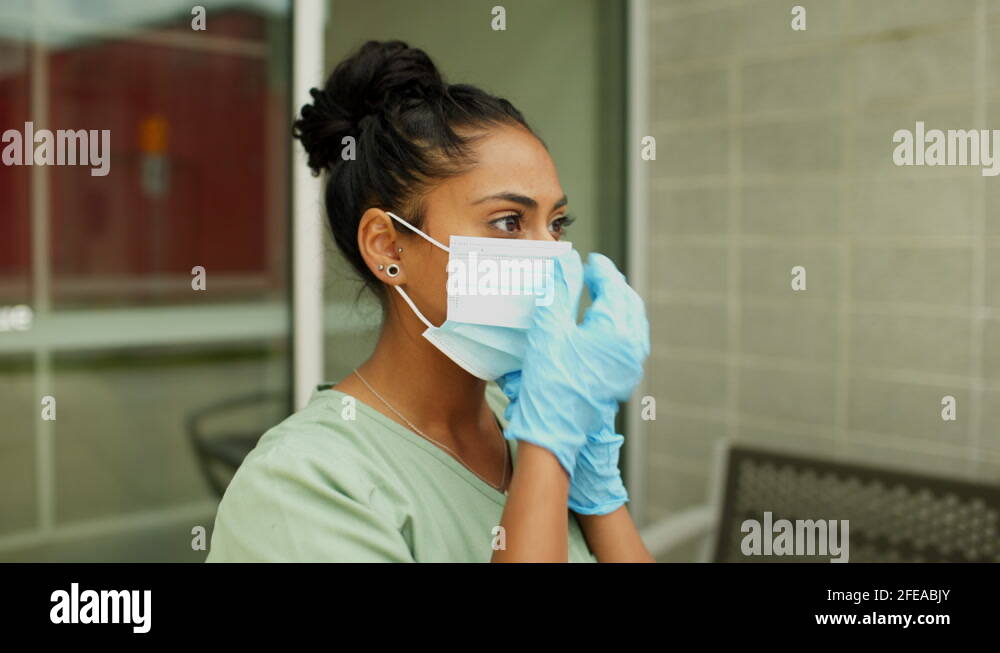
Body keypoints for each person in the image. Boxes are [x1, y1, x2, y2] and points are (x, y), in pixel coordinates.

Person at [206, 39, 652, 562]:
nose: (551, 256)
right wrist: (548, 451)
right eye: (509, 221)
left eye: (556, 224)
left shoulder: (521, 417)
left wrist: (598, 497)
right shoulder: (304, 481)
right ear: (387, 246)